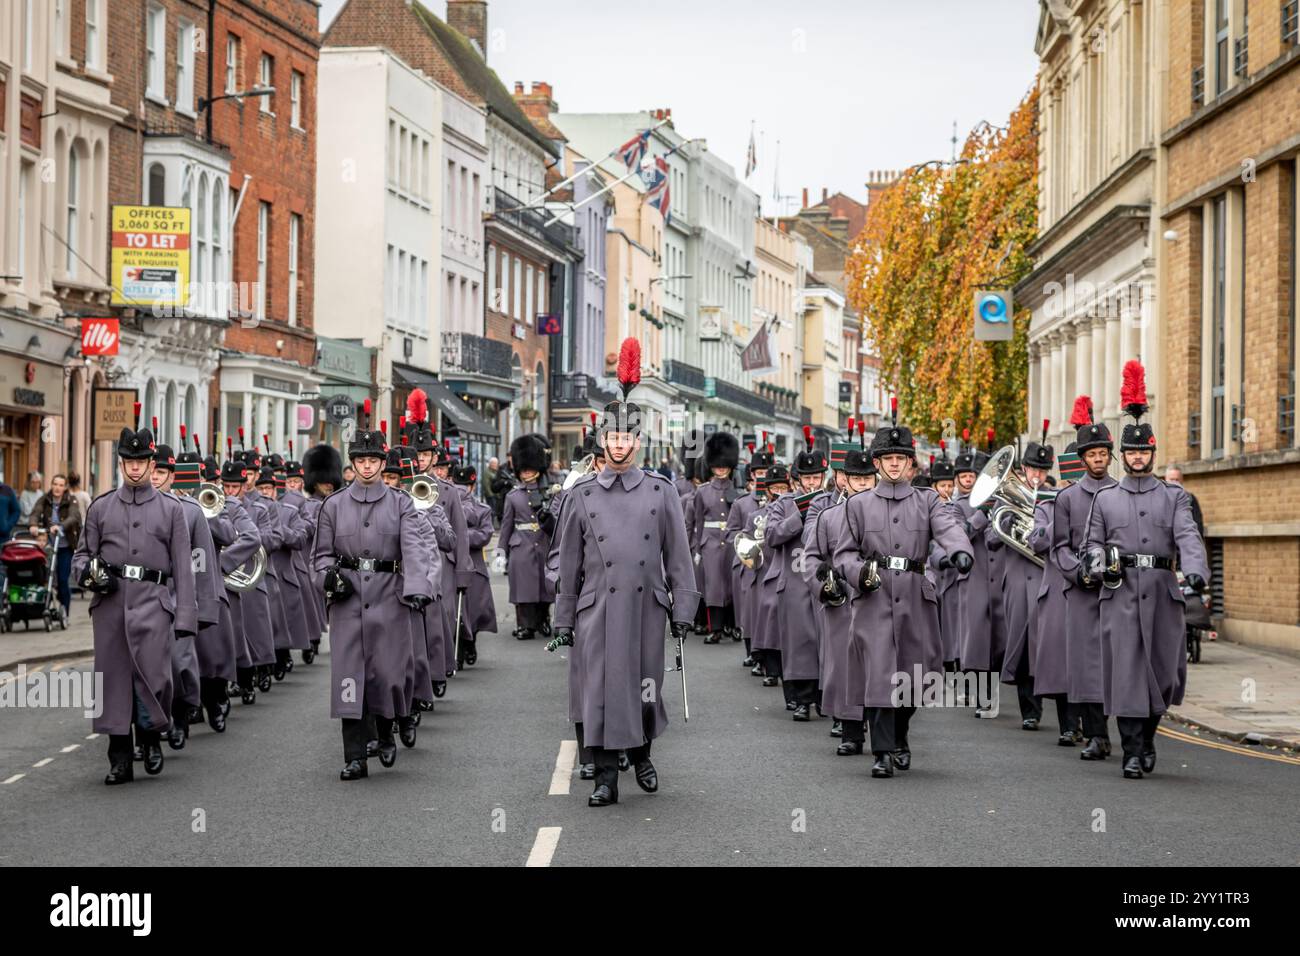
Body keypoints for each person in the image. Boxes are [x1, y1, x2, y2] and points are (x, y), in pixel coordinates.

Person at [549, 338, 699, 807]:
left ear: (637, 441)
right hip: (598, 606)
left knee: (643, 685)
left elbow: (679, 555)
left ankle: (644, 755)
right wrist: (564, 619)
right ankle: (605, 779)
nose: (620, 445)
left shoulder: (660, 491)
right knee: (599, 689)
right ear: (604, 442)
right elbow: (568, 564)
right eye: (612, 438)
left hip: (645, 604)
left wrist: (684, 606)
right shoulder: (582, 494)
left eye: (627, 438)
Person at [832, 403, 972, 778]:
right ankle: (881, 752)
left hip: (914, 596)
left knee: (914, 676)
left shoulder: (927, 500)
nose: (894, 464)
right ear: (876, 463)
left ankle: (900, 734)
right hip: (874, 597)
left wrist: (959, 551)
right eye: (888, 458)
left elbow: (947, 527)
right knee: (879, 675)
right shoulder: (858, 506)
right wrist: (858, 573)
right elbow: (843, 552)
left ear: (912, 464)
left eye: (901, 458)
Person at [1085, 362, 1209, 778]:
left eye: (1145, 451)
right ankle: (1132, 752)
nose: (1138, 457)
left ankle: (1149, 737)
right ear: (1123, 456)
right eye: (1132, 452)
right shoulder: (1104, 499)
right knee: (1126, 674)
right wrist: (1102, 567)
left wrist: (1195, 573)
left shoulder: (1174, 497)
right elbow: (1092, 546)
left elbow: (1189, 536)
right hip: (1119, 596)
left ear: (1153, 454)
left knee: (1162, 673)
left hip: (1162, 593)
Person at [72, 409, 197, 784]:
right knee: (112, 681)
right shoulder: (100, 507)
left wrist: (186, 618)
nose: (136, 468)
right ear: (121, 462)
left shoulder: (172, 510)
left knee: (154, 677)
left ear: (150, 463)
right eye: (130, 461)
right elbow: (80, 557)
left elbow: (184, 568)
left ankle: (151, 738)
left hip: (154, 603)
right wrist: (88, 574)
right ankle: (119, 759)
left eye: (142, 462)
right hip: (110, 607)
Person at [314, 401, 432, 780]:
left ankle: (384, 733)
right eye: (360, 460)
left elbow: (415, 549)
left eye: (373, 460)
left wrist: (416, 589)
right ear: (353, 464)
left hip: (389, 598)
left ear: (383, 463)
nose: (366, 466)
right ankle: (354, 756)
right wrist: (328, 577)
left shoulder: (401, 505)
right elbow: (320, 555)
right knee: (348, 677)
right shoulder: (332, 506)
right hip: (348, 602)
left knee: (387, 675)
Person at [1053, 395, 1118, 762]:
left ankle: (1114, 726)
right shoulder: (1067, 498)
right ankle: (1095, 734)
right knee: (1087, 664)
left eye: (1102, 454)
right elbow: (1059, 547)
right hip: (1081, 592)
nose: (1097, 460)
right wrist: (1078, 574)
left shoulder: (1120, 492)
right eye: (1091, 455)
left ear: (1109, 456)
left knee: (1115, 661)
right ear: (1082, 459)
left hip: (1115, 590)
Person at [149, 443, 221, 750]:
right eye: (151, 471)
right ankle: (154, 725)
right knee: (150, 668)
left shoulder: (191, 512)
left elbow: (202, 563)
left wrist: (203, 608)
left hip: (180, 598)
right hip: (146, 600)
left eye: (160, 472)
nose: (153, 477)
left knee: (179, 663)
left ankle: (181, 713)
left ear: (172, 476)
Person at [808, 421, 875, 752]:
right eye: (856, 479)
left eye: (867, 479)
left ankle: (886, 736)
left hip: (878, 602)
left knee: (878, 667)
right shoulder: (828, 517)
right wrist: (823, 586)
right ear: (845, 480)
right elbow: (811, 559)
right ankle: (850, 731)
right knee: (845, 667)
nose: (862, 485)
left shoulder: (889, 515)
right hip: (841, 603)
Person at [763, 426, 831, 720]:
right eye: (807, 478)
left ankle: (825, 696)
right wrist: (798, 517)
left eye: (816, 477)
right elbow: (771, 536)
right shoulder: (782, 504)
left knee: (824, 639)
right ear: (797, 479)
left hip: (821, 576)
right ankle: (799, 698)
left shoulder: (831, 502)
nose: (812, 482)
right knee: (797, 642)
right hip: (792, 577)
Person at [995, 421, 1054, 731]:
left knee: (1048, 643)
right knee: (1021, 644)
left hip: (1049, 579)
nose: (1037, 476)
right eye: (1033, 469)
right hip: (1018, 581)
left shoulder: (1056, 497)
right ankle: (1029, 711)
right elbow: (993, 539)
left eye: (1042, 471)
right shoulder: (1009, 498)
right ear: (1024, 468)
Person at [497, 434, 556, 641]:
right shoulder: (513, 496)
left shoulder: (550, 492)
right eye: (524, 469)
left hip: (543, 543)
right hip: (521, 546)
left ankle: (543, 620)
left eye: (530, 468)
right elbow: (506, 526)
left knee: (544, 587)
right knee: (523, 589)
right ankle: (524, 625)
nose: (527, 472)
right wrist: (501, 552)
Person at [724, 441, 773, 669]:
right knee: (750, 611)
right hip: (749, 563)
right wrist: (747, 545)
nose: (762, 476)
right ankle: (751, 651)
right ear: (752, 475)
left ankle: (767, 655)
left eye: (766, 472)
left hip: (771, 564)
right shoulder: (742, 503)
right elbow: (731, 532)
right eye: (759, 472)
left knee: (768, 611)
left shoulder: (779, 503)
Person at [689, 430, 740, 644]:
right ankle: (715, 628)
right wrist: (697, 547)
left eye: (724, 464)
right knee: (713, 586)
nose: (720, 468)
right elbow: (698, 521)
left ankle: (733, 625)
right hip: (709, 542)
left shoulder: (737, 491)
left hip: (730, 542)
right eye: (717, 464)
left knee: (731, 585)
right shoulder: (702, 492)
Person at [452, 460, 498, 667]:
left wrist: (461, 535)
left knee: (475, 609)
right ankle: (458, 649)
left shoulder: (483, 509)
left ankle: (472, 642)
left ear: (472, 487)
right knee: (456, 611)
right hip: (453, 564)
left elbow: (485, 535)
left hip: (475, 565)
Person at [28, 474, 82, 621]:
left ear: (64, 487)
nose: (57, 488)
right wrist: (33, 524)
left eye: (60, 485)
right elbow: (36, 512)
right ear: (51, 485)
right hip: (49, 546)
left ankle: (65, 612)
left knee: (63, 579)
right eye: (55, 484)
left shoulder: (71, 500)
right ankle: (48, 604)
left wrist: (60, 527)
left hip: (65, 547)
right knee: (48, 577)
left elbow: (74, 517)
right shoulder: (45, 499)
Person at [1163, 467, 1205, 540]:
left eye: (1177, 480)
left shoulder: (1190, 499)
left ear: (1182, 480)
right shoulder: (1156, 497)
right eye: (1172, 479)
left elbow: (1197, 524)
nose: (1174, 483)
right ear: (1165, 479)